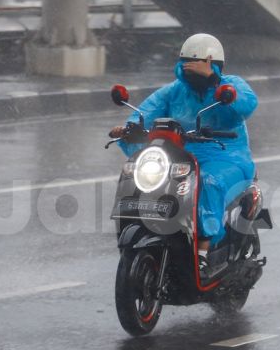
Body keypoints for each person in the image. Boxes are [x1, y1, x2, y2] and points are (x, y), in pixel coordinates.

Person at [109, 33, 258, 278]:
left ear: (213, 63)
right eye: (186, 63)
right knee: (139, 177)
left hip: (225, 155)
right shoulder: (173, 91)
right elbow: (146, 112)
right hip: (180, 157)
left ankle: (203, 252)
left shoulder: (230, 85)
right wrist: (128, 129)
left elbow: (247, 104)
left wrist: (212, 80)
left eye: (197, 63)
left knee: (207, 182)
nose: (190, 68)